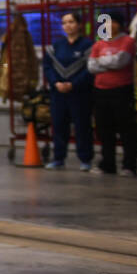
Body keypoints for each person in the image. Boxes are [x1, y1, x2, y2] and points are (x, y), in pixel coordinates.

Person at [88, 10, 137, 176]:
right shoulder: (98, 44)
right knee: (104, 129)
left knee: (126, 129)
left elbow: (120, 61)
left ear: (119, 23)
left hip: (121, 90)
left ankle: (129, 165)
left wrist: (102, 63)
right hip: (101, 91)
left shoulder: (128, 42)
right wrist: (108, 63)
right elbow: (91, 66)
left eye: (113, 22)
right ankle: (107, 164)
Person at [43, 11, 93, 171]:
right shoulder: (56, 46)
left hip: (79, 93)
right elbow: (47, 67)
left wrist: (73, 84)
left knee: (82, 126)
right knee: (58, 125)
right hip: (58, 93)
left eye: (71, 22)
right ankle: (59, 158)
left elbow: (90, 69)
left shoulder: (88, 46)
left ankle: (85, 159)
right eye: (64, 23)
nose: (67, 25)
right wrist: (56, 83)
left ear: (79, 25)